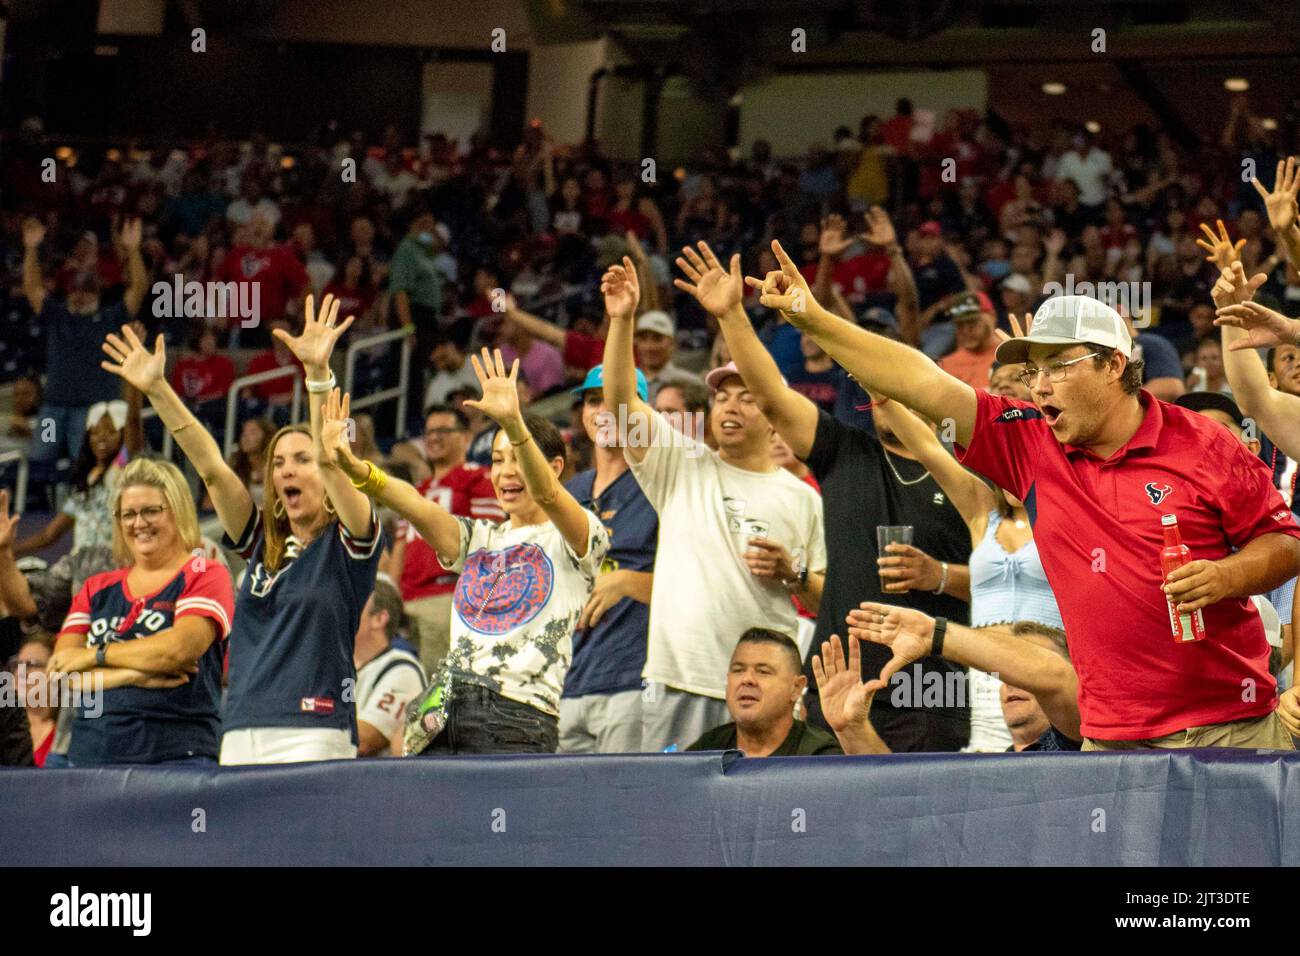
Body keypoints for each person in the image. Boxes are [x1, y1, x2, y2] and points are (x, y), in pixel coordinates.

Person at [752, 242, 1300, 749]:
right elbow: (923, 382)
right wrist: (813, 316)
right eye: (1034, 370)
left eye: (1059, 366)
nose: (1039, 386)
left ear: (1114, 365)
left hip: (1233, 727)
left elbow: (1285, 543)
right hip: (1109, 740)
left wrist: (1227, 576)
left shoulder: (1203, 444)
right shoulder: (1028, 441)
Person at [677, 241, 971, 752]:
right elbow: (770, 395)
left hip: (930, 691)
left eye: (897, 381)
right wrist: (731, 316)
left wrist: (941, 576)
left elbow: (1007, 584)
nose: (887, 393)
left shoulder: (966, 478)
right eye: (876, 381)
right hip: (837, 685)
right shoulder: (844, 452)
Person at [102, 294, 383, 764]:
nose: (287, 470)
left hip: (314, 730)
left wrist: (317, 375)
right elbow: (210, 467)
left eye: (301, 459)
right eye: (278, 462)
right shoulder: (261, 545)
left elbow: (334, 461)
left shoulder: (350, 543)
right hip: (241, 730)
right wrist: (158, 390)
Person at [323, 350, 609, 755]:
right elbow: (418, 507)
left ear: (556, 466)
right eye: (496, 461)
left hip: (518, 716)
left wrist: (512, 421)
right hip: (444, 713)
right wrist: (358, 471)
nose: (506, 472)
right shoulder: (480, 537)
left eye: (517, 459)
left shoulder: (579, 535)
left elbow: (546, 493)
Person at [605, 254, 828, 753]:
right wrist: (621, 321)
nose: (729, 406)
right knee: (671, 818)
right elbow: (621, 407)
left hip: (766, 691)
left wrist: (793, 574)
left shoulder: (803, 496)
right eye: (721, 397)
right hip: (679, 680)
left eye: (746, 397)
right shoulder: (680, 464)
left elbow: (824, 597)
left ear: (773, 416)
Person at [871, 388, 1061, 752]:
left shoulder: (1065, 519)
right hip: (985, 676)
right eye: (1005, 463)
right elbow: (928, 447)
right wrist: (878, 391)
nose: (1011, 472)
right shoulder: (982, 512)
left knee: (1051, 768)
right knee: (986, 778)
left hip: (1047, 669)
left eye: (1021, 462)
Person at [46, 457, 235, 765]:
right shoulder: (96, 587)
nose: (138, 523)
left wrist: (95, 656)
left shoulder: (205, 572)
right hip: (90, 755)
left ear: (177, 511)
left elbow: (178, 651)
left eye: (151, 511)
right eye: (128, 514)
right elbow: (62, 672)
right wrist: (136, 673)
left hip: (175, 758)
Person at [560, 364, 657, 754]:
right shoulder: (568, 493)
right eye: (593, 400)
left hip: (632, 680)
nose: (601, 410)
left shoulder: (659, 485)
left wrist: (629, 582)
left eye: (614, 401)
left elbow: (696, 581)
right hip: (567, 682)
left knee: (623, 809)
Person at [847, 607, 1081, 752]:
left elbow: (1058, 678)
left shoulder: (1077, 748)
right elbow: (907, 803)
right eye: (1007, 674)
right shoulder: (983, 768)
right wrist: (853, 728)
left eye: (1025, 673)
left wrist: (933, 635)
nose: (1010, 682)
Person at [22, 218, 146, 475]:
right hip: (53, 408)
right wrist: (31, 248)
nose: (79, 293)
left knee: (88, 468)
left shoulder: (111, 317)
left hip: (92, 410)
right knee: (37, 462)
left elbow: (139, 288)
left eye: (86, 289)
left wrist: (133, 250)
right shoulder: (57, 314)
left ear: (97, 293)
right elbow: (32, 288)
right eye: (74, 288)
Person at [390, 404, 502, 674]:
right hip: (407, 603)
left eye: (443, 430)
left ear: (466, 437)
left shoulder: (478, 477)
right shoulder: (416, 490)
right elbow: (401, 548)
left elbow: (492, 539)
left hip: (448, 597)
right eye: (428, 432)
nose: (433, 437)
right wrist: (392, 598)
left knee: (438, 691)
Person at [687, 629, 888, 756]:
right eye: (738, 670)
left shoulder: (816, 754)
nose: (746, 679)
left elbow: (882, 795)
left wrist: (854, 727)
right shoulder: (708, 749)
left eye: (763, 671)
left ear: (797, 688)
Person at [14, 400, 128, 561]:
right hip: (77, 563)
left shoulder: (124, 472)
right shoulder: (83, 484)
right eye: (94, 432)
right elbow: (49, 535)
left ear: (124, 434)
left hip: (109, 562)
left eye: (111, 431)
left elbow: (134, 433)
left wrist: (133, 389)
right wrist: (10, 550)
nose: (101, 438)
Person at [352, 579, 426, 757]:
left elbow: (365, 740)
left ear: (379, 619)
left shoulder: (403, 669)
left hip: (375, 781)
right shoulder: (338, 664)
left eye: (352, 606)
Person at [8, 633, 57, 766]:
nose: (20, 673)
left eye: (31, 664)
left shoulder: (67, 731)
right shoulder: (6, 730)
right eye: (17, 665)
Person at [936, 292, 1001, 389]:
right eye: (960, 325)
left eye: (972, 322)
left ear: (992, 316)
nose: (966, 330)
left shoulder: (1015, 356)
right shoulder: (944, 367)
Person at [633, 311, 702, 400]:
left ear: (672, 343)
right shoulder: (629, 383)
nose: (649, 347)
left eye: (657, 339)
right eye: (643, 339)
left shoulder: (690, 383)